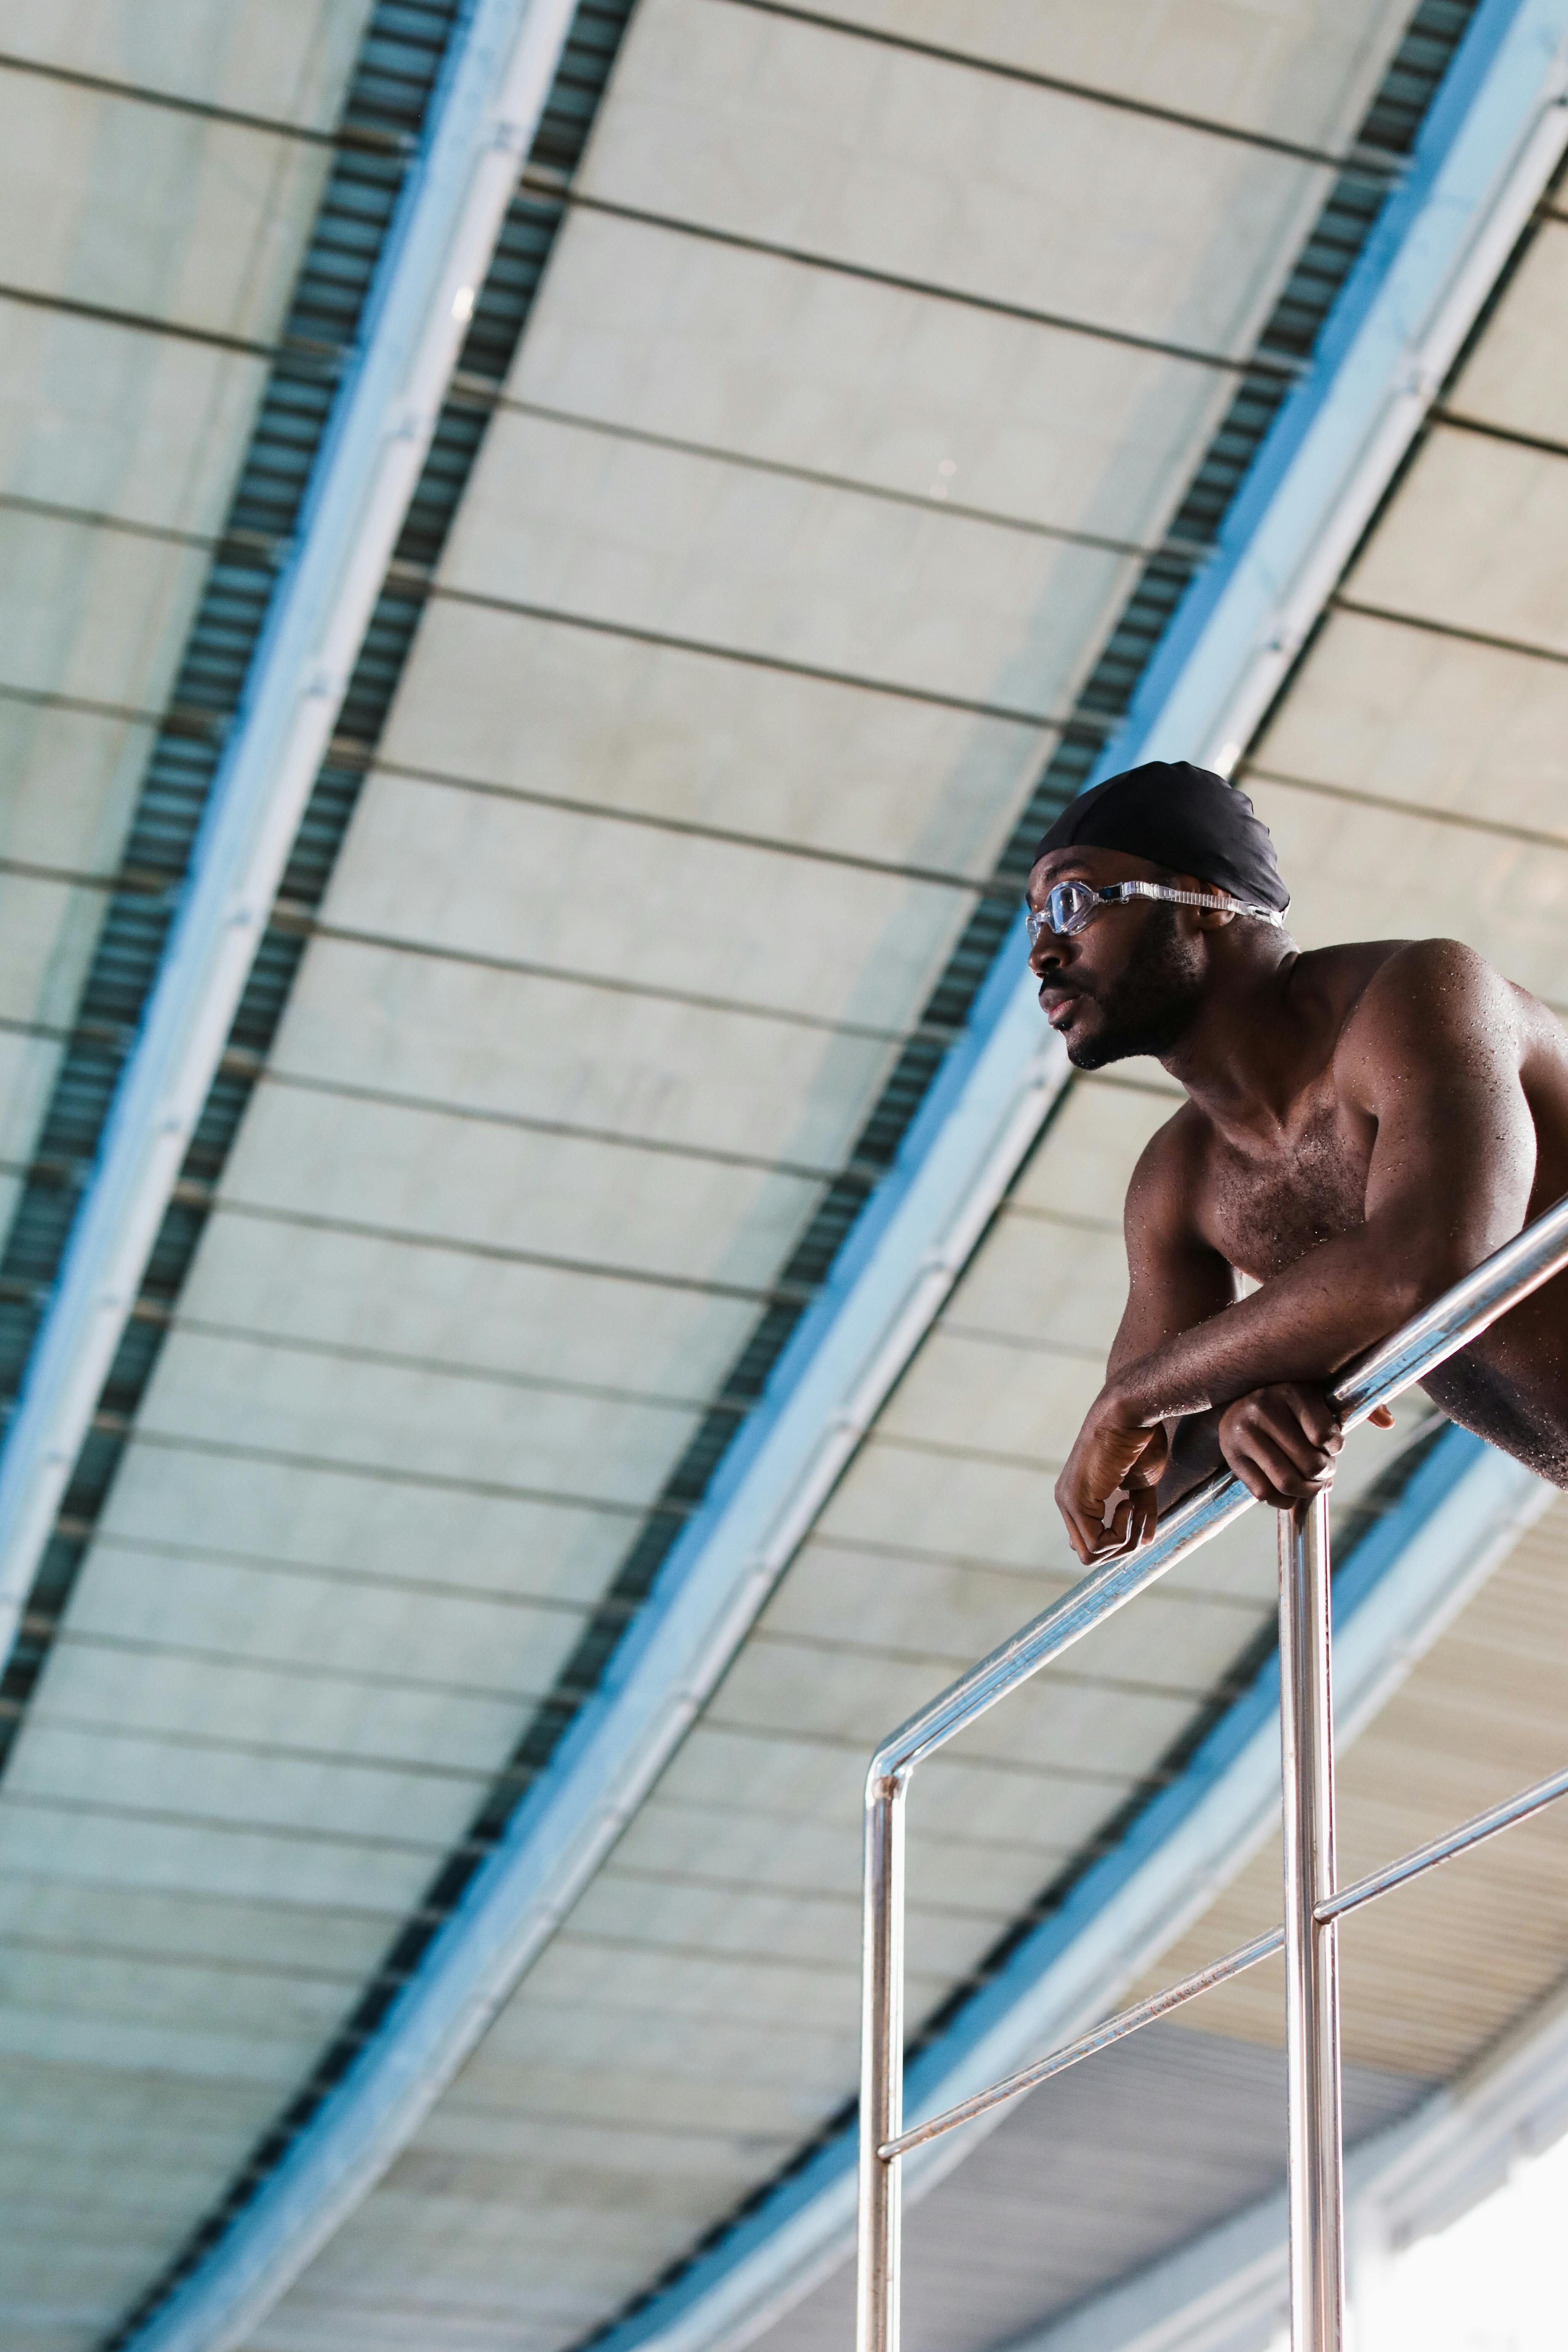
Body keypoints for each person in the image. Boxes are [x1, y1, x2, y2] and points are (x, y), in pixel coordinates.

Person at [1033, 760, 1568, 1567]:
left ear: (1205, 901)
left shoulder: (1420, 996)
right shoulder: (1181, 1183)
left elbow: (1433, 1258)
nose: (1041, 951)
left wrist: (1136, 1397)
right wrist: (1240, 1415)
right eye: (1032, 918)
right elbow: (1141, 1485)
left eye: (1072, 901)